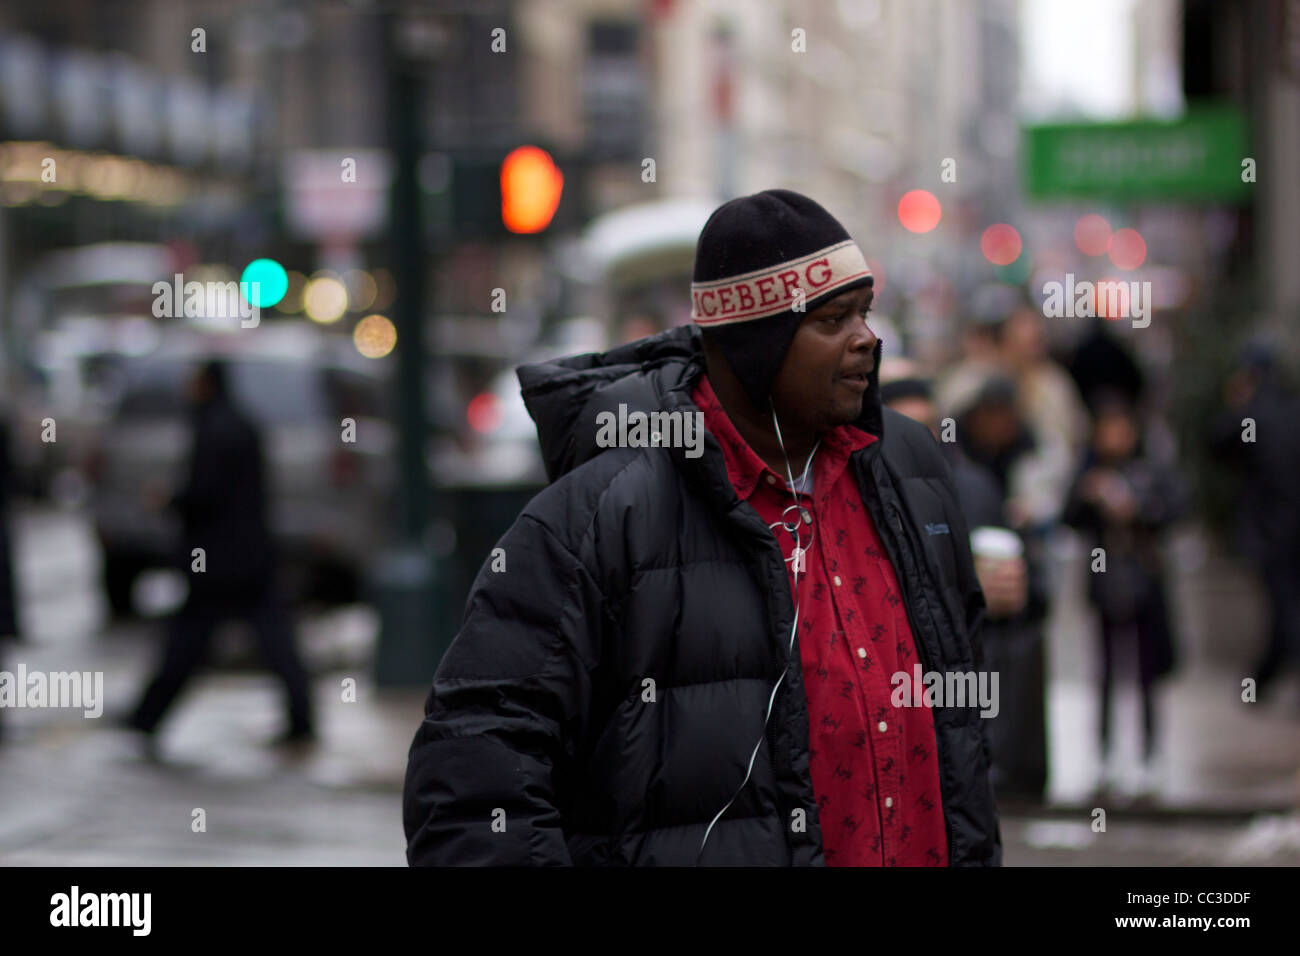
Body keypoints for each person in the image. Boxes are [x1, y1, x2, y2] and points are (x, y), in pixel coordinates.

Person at [404, 189, 1001, 866]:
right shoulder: (600, 518)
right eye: (834, 320)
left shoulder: (910, 467)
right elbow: (472, 778)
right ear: (755, 346)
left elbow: (962, 719)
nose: (868, 338)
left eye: (864, 312)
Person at [124, 360, 314, 750]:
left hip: (216, 559)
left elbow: (205, 494)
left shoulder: (213, 429)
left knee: (188, 641)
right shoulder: (241, 424)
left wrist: (169, 499)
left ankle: (146, 718)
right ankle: (302, 719)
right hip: (247, 554)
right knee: (273, 640)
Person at [883, 375, 1049, 804]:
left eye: (928, 428)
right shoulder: (863, 489)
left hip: (965, 678)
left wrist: (1016, 587)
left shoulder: (970, 486)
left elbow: (1021, 585)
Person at [1064, 392, 1184, 796]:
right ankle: (1104, 756)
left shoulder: (1151, 470)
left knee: (1147, 675)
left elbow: (1175, 511)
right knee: (1106, 673)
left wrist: (1136, 507)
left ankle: (1150, 756)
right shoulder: (1090, 472)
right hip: (1105, 584)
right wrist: (1089, 495)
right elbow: (1068, 519)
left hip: (1145, 585)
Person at [1207, 342, 1300, 695]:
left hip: (1273, 530)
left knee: (1286, 609)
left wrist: (1238, 405)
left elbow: (1218, 443)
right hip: (1284, 528)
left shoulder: (1252, 415)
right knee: (1284, 609)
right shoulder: (1291, 408)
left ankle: (1260, 683)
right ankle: (1260, 683)